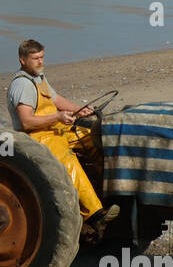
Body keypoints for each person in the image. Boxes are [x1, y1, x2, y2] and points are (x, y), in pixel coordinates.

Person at [7, 39, 119, 237]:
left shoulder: (38, 77)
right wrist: (57, 117)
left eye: (42, 57)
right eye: (35, 58)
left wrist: (78, 109)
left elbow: (55, 99)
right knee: (68, 161)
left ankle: (112, 192)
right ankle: (95, 215)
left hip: (55, 128)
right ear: (22, 60)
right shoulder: (22, 85)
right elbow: (26, 122)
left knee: (94, 139)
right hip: (37, 136)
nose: (40, 62)